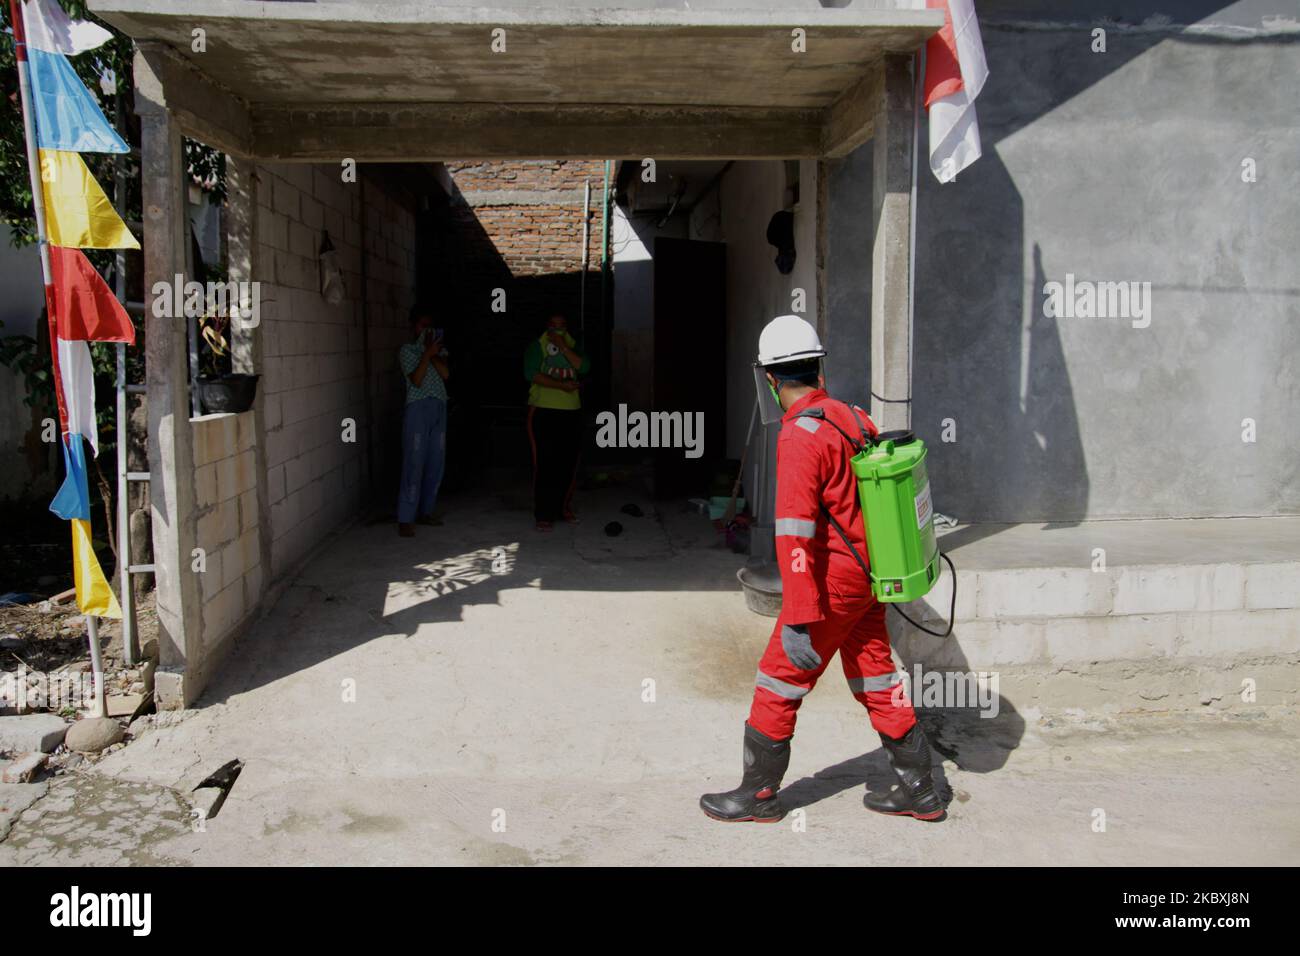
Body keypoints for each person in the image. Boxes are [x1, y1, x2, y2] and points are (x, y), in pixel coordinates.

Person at [700, 314, 945, 823]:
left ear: (771, 379)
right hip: (868, 577)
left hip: (831, 584)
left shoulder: (799, 435)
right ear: (817, 370)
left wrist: (800, 609)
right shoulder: (852, 416)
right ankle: (921, 788)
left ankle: (758, 796)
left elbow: (794, 529)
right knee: (875, 673)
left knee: (779, 679)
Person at [523, 314, 589, 531]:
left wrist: (563, 346)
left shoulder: (573, 345)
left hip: (571, 412)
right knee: (545, 464)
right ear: (546, 327)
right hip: (543, 411)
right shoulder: (537, 346)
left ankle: (563, 508)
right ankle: (544, 514)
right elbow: (531, 374)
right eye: (553, 326)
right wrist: (561, 386)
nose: (558, 331)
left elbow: (584, 367)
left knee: (568, 464)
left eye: (562, 326)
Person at [396, 304, 450, 537]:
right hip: (418, 408)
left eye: (429, 326)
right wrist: (426, 354)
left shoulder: (440, 351)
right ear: (413, 327)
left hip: (439, 406)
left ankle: (425, 512)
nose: (425, 329)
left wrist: (433, 352)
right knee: (414, 463)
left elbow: (446, 374)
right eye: (422, 325)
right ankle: (405, 518)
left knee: (435, 462)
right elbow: (416, 380)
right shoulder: (407, 351)